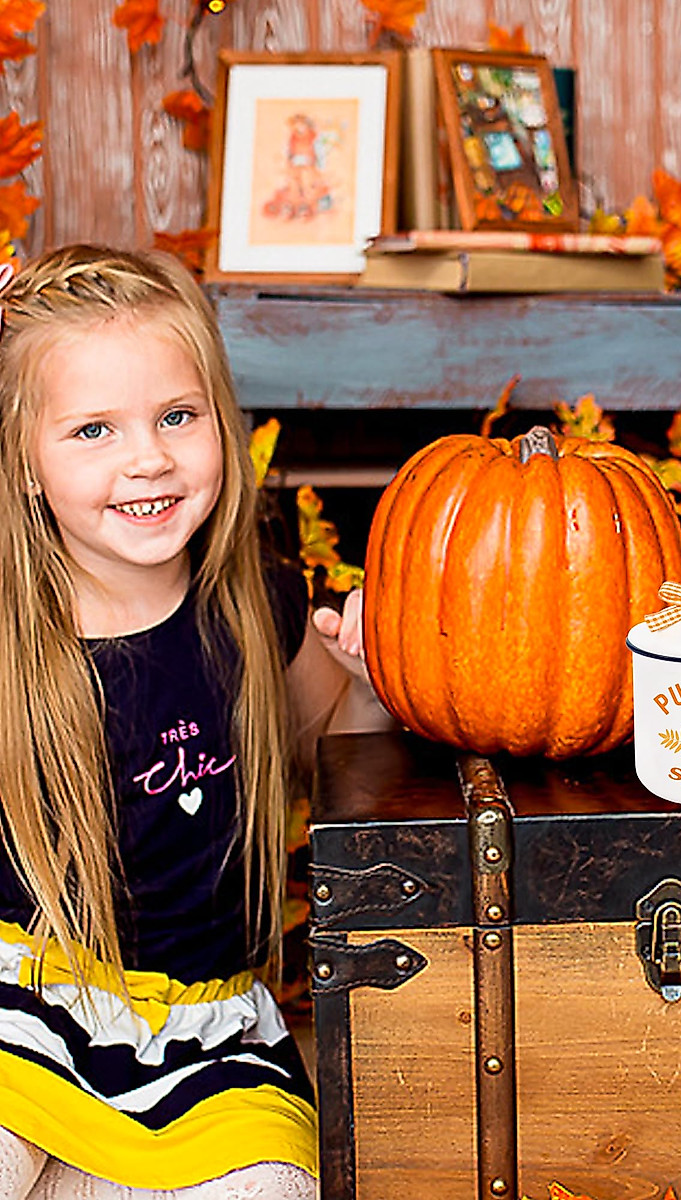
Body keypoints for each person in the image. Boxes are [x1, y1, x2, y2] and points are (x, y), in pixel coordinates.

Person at [0, 245, 390, 1198]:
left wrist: (365, 677)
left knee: (274, 1191)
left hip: (212, 1040)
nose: (148, 458)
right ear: (23, 463)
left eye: (178, 416)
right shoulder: (11, 634)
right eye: (93, 430)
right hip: (25, 1003)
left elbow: (336, 756)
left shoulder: (257, 607)